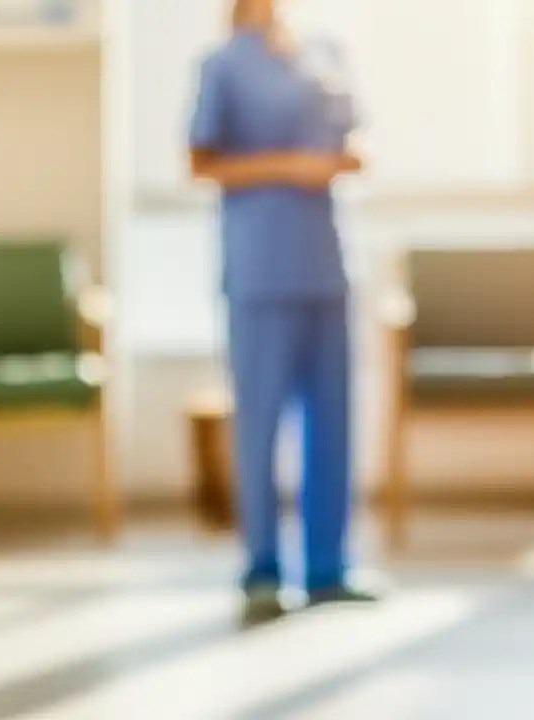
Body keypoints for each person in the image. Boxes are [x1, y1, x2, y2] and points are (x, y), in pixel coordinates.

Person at [189, 0, 372, 619]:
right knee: (259, 426)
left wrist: (335, 162)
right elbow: (201, 161)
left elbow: (356, 146)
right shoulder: (222, 64)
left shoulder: (324, 50)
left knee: (333, 425)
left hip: (325, 266)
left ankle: (329, 567)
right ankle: (262, 569)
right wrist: (290, 166)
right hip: (260, 271)